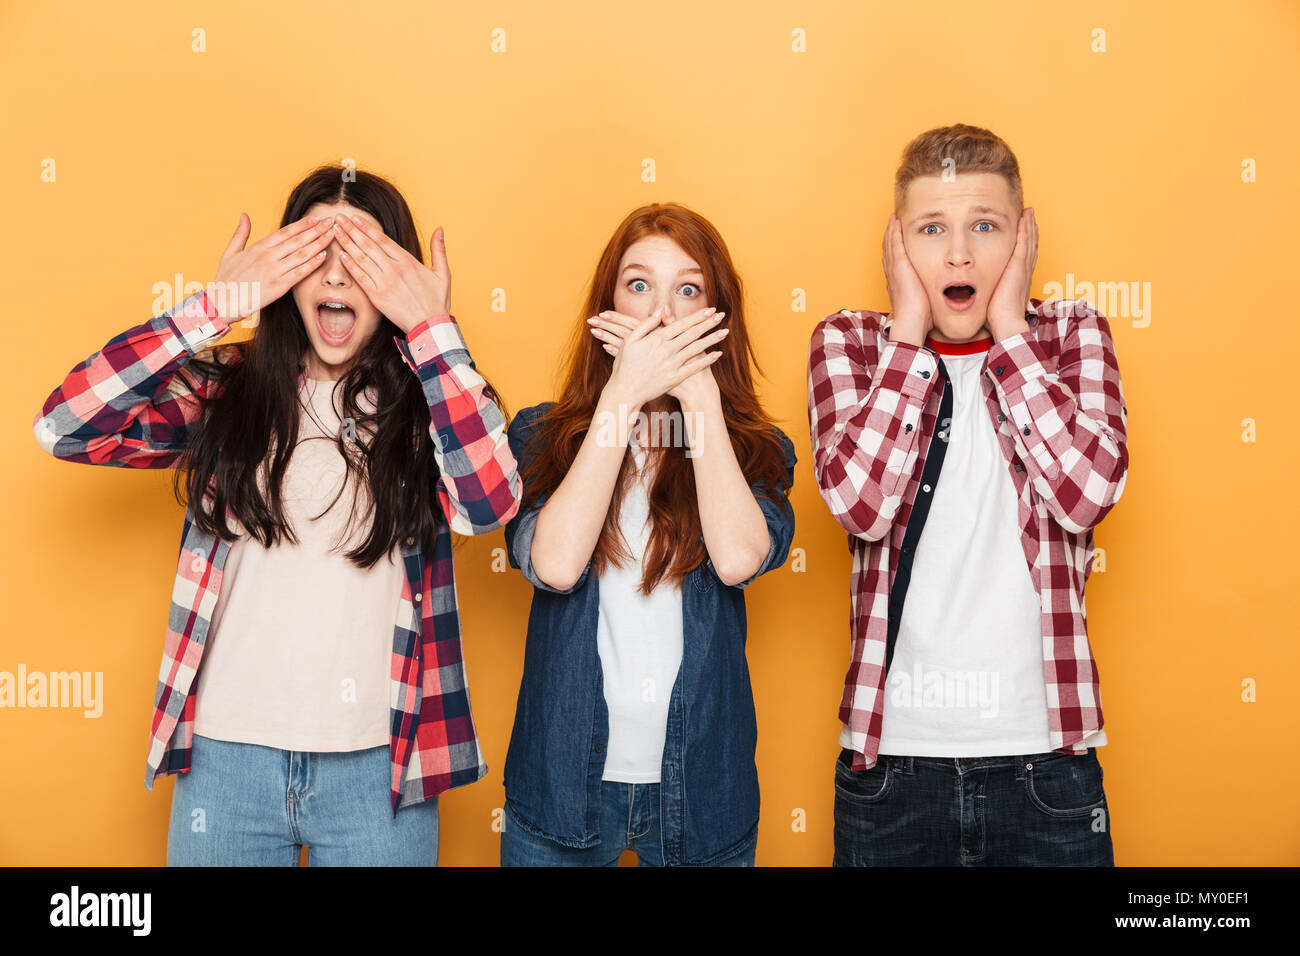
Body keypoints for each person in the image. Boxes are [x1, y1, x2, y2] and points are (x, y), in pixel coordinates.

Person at [32, 165, 520, 866]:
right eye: (315, 254)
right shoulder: (227, 391)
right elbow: (65, 426)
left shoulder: (433, 405)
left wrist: (432, 329)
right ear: (282, 273)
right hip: (226, 763)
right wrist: (210, 308)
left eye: (363, 259)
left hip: (379, 770)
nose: (337, 278)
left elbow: (489, 503)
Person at [806, 124, 1129, 866]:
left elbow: (1086, 495)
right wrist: (911, 333)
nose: (958, 255)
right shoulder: (853, 345)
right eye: (931, 230)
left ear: (1022, 241)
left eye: (985, 227)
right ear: (897, 246)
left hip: (1047, 764)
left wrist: (1012, 332)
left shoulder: (1072, 335)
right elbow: (860, 505)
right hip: (890, 772)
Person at [499, 202, 796, 866]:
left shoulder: (756, 450)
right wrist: (622, 396)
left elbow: (738, 559)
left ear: (718, 317)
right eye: (639, 286)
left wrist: (698, 398)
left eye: (688, 290)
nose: (661, 313)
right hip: (561, 788)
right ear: (607, 307)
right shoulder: (540, 437)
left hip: (702, 794)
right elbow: (555, 565)